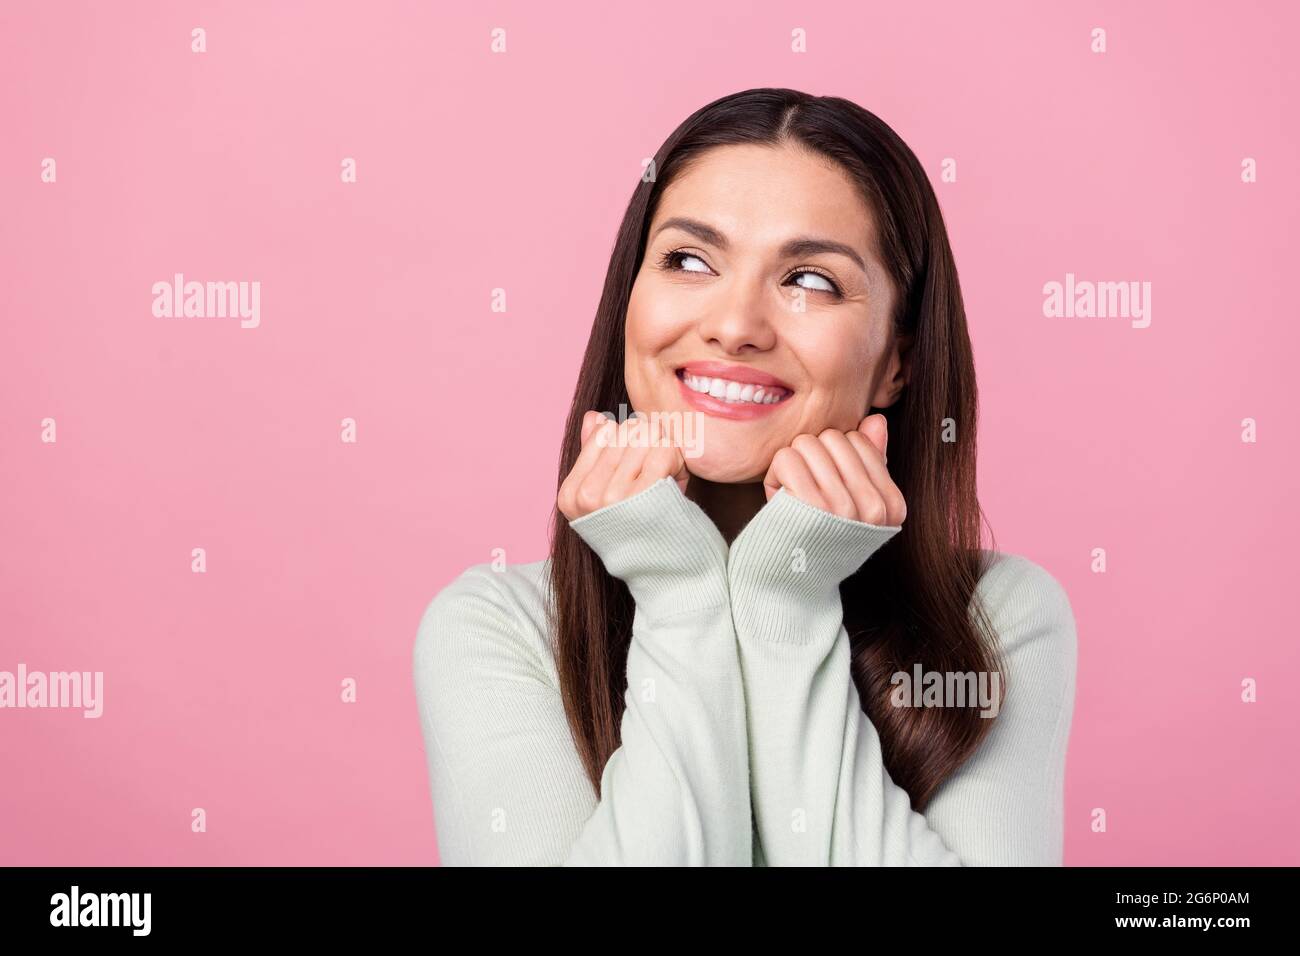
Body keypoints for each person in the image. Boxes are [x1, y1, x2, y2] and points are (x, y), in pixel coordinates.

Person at [413, 87, 1077, 866]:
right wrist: (678, 585)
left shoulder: (997, 621)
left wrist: (784, 596)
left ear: (896, 362)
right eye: (689, 261)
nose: (735, 326)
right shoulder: (498, 628)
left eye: (810, 281)